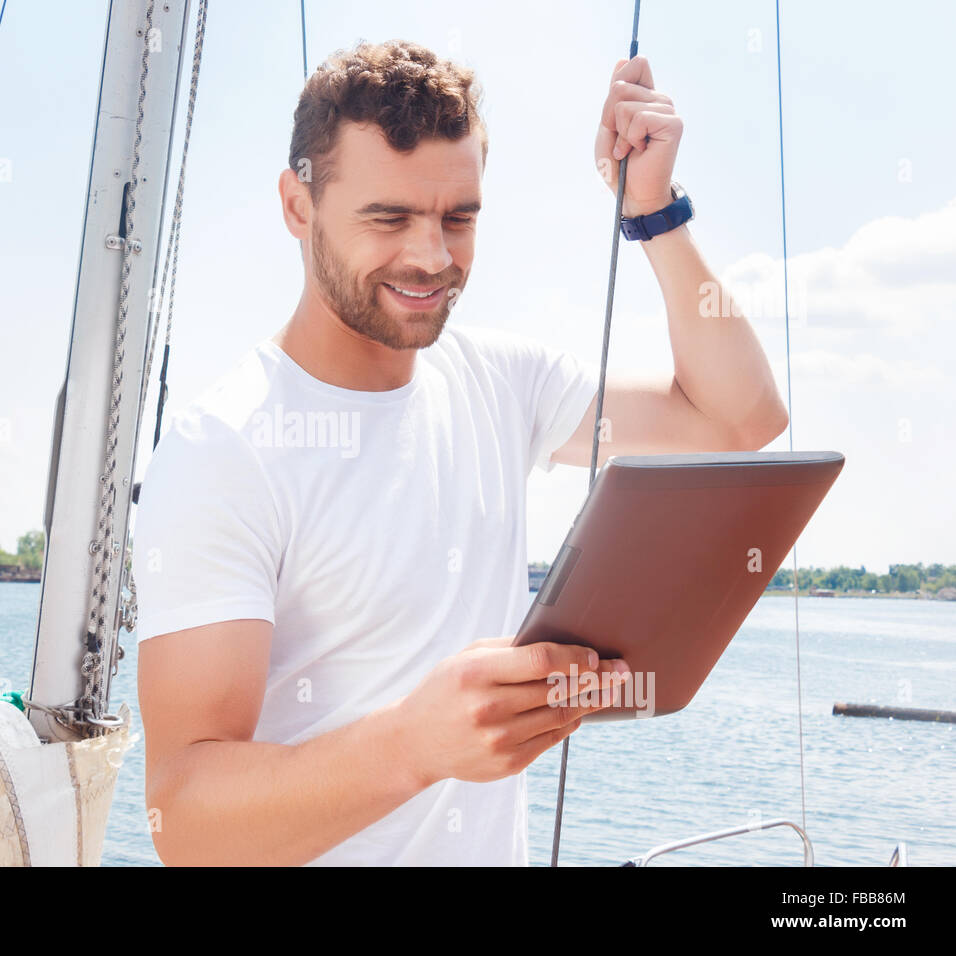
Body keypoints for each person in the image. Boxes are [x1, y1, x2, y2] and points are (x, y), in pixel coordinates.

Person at [131, 40, 788, 866]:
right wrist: (412, 745)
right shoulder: (221, 450)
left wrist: (651, 211)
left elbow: (740, 418)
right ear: (298, 206)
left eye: (458, 217)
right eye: (389, 218)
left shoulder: (500, 382)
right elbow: (184, 823)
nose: (432, 256)